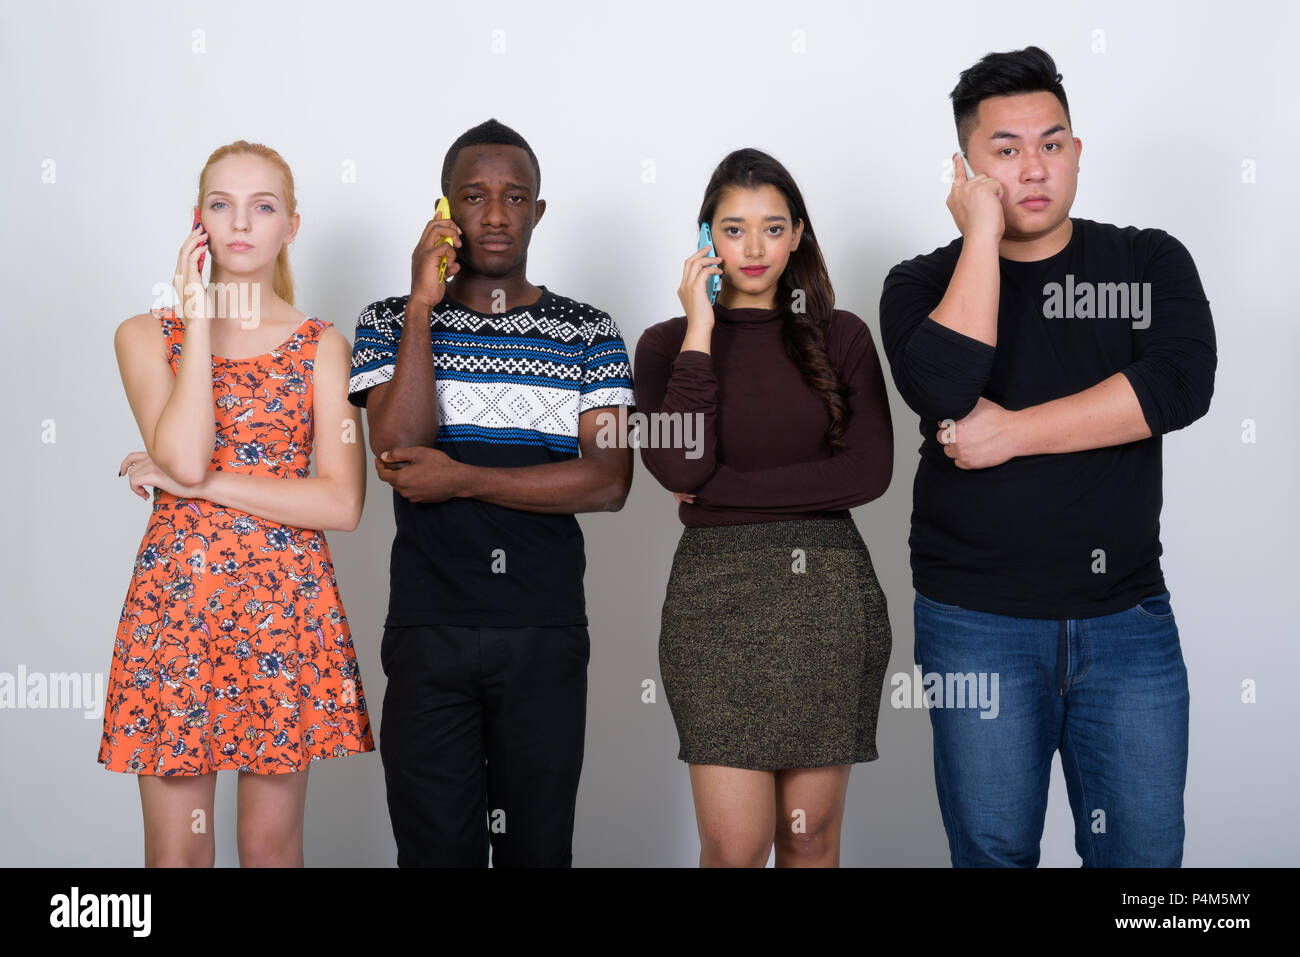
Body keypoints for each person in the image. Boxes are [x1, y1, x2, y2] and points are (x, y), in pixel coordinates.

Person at [879, 46, 1216, 867]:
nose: (1035, 167)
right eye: (1006, 150)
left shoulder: (1146, 260)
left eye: (1052, 143)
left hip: (1127, 624)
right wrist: (983, 235)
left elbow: (1177, 386)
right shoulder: (919, 284)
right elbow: (947, 388)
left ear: (1076, 150)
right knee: (993, 853)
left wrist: (1013, 431)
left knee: (1144, 863)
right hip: (975, 624)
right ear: (967, 168)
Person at [348, 118, 635, 868]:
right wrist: (421, 303)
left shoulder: (587, 331)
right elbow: (398, 448)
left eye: (516, 197)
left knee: (536, 851)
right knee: (434, 853)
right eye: (474, 197)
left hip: (541, 630)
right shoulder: (387, 321)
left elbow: (608, 481)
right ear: (443, 211)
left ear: (540, 211)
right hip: (427, 629)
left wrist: (465, 478)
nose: (497, 215)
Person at [100, 140, 375, 867]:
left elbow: (343, 503)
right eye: (222, 205)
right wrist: (196, 321)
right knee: (176, 858)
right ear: (199, 221)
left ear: (291, 224)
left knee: (269, 850)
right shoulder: (143, 335)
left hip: (286, 609)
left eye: (263, 206)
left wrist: (198, 486)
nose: (241, 223)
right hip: (178, 609)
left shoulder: (324, 348)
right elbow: (185, 451)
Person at [634, 148, 894, 867]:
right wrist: (698, 327)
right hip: (714, 602)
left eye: (773, 228)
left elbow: (869, 472)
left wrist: (720, 492)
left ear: (799, 235)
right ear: (705, 238)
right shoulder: (663, 345)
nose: (753, 248)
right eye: (733, 228)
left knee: (809, 837)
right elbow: (677, 463)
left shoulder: (840, 335)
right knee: (736, 844)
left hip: (829, 600)